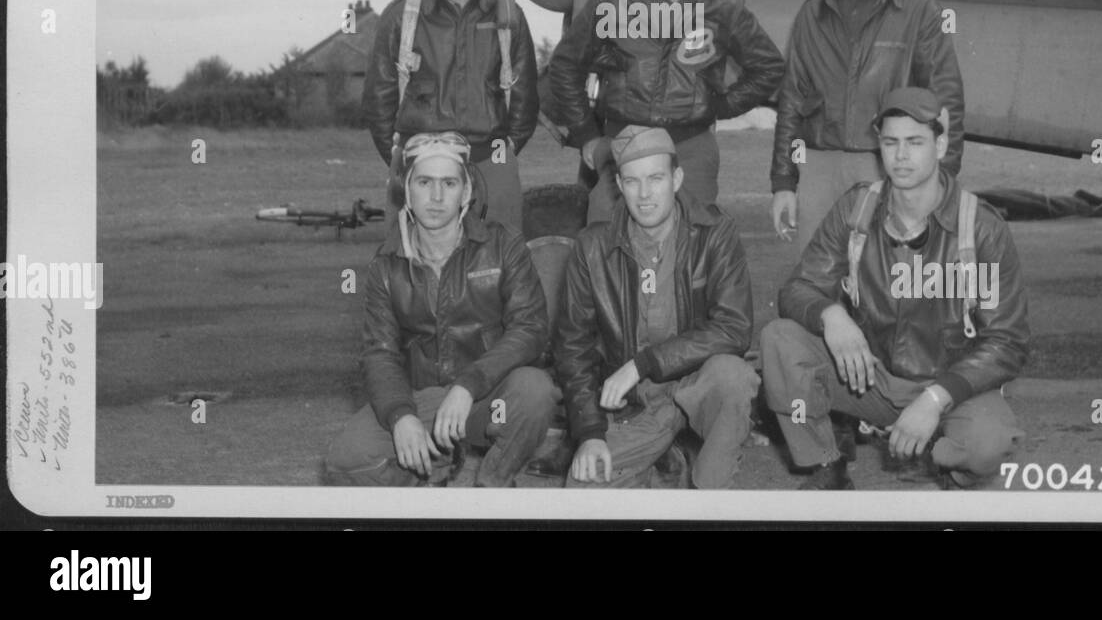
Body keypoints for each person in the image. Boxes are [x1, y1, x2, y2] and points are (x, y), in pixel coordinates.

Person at [761, 88, 1028, 490]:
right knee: (779, 339)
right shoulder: (857, 209)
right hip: (870, 378)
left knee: (986, 444)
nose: (901, 156)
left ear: (940, 145)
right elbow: (797, 288)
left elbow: (1007, 341)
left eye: (915, 142)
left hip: (949, 384)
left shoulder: (981, 227)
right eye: (891, 143)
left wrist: (936, 399)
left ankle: (947, 461)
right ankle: (825, 463)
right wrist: (830, 315)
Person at [325, 132, 559, 487]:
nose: (436, 197)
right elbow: (379, 355)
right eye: (424, 182)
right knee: (345, 460)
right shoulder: (385, 266)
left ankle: (492, 487)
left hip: (486, 396)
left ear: (465, 192)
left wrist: (468, 385)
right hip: (423, 400)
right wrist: (401, 416)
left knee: (535, 391)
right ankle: (431, 470)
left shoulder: (504, 244)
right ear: (406, 189)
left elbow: (530, 329)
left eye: (449, 183)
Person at [548, 0, 784, 223]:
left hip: (690, 148)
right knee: (605, 250)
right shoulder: (613, 0)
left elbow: (769, 67)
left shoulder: (724, 8)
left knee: (693, 252)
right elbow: (565, 65)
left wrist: (721, 106)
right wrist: (586, 133)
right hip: (623, 145)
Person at [554, 125, 759, 488]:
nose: (645, 194)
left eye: (656, 178)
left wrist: (644, 363)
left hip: (697, 385)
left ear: (677, 178)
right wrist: (589, 433)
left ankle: (708, 493)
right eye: (632, 181)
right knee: (583, 492)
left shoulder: (715, 232)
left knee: (734, 377)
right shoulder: (591, 248)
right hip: (636, 404)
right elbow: (574, 350)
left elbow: (734, 327)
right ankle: (663, 456)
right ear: (618, 185)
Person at [771, 0, 966, 254]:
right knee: (814, 285)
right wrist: (783, 181)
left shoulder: (919, 10)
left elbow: (946, 100)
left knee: (889, 286)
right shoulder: (812, 16)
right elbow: (791, 103)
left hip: (888, 166)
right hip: (820, 168)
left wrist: (942, 181)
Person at [362, 0, 538, 233]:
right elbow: (378, 102)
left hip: (490, 164)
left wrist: (498, 159)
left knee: (498, 274)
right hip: (420, 166)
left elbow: (525, 101)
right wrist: (407, 162)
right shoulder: (402, 15)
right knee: (414, 276)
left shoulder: (508, 15)